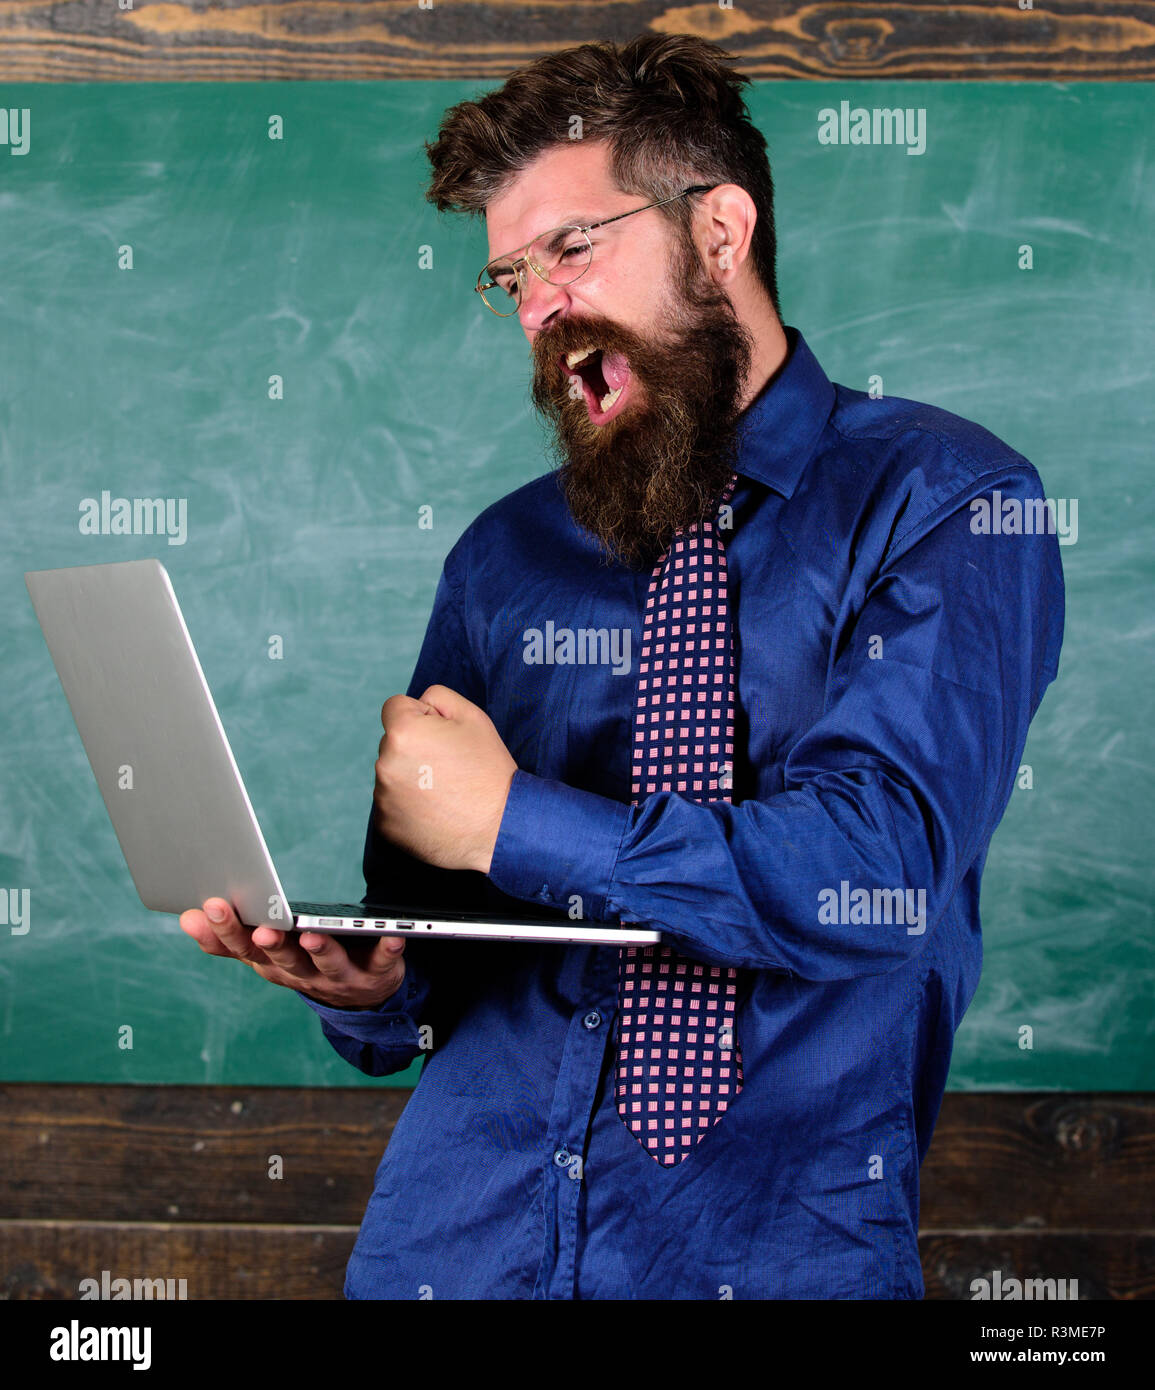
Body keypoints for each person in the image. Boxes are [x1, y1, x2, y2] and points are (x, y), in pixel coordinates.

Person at [180, 34, 1064, 1299]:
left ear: (719, 230)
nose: (539, 307)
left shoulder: (949, 500)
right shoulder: (505, 557)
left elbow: (880, 869)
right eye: (511, 277)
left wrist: (510, 815)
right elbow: (445, 962)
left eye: (573, 248)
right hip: (455, 1249)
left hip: (765, 1254)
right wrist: (375, 984)